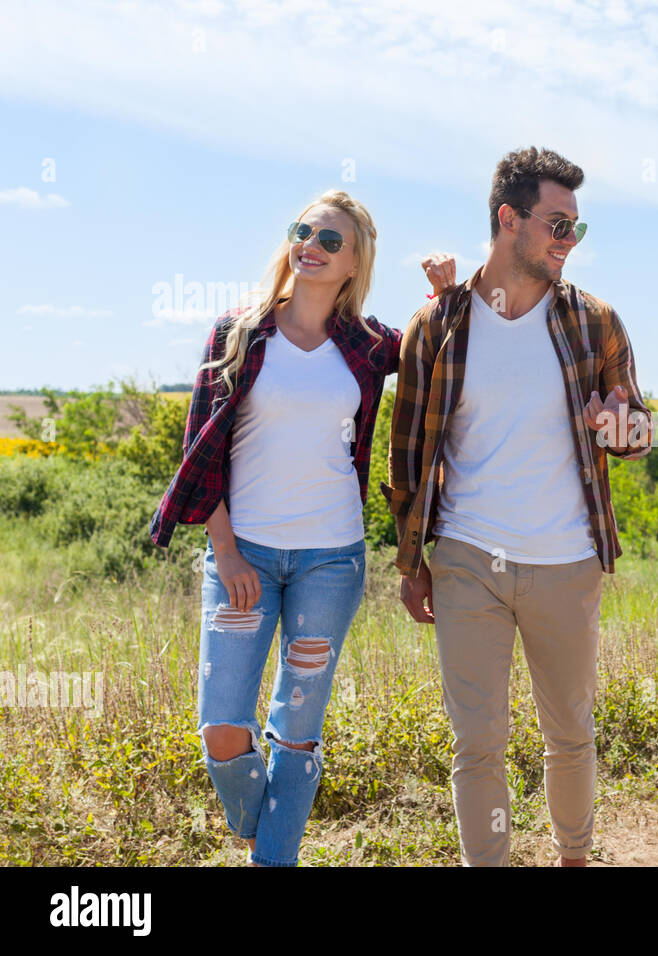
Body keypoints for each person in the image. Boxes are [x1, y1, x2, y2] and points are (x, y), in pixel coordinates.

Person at [148, 190, 454, 866]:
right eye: (303, 231)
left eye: (331, 239)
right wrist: (224, 552)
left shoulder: (366, 345)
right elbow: (201, 449)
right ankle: (269, 830)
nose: (311, 244)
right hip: (244, 554)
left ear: (354, 264)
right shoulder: (238, 331)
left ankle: (272, 856)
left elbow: (436, 350)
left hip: (330, 560)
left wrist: (444, 295)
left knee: (297, 727)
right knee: (222, 727)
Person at [384, 146, 651, 867]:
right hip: (468, 558)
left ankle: (573, 856)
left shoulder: (595, 322)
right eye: (557, 225)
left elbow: (639, 430)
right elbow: (405, 452)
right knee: (478, 742)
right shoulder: (440, 322)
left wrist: (620, 427)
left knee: (569, 731)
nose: (569, 241)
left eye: (577, 228)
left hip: (567, 562)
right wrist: (412, 563)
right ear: (508, 219)